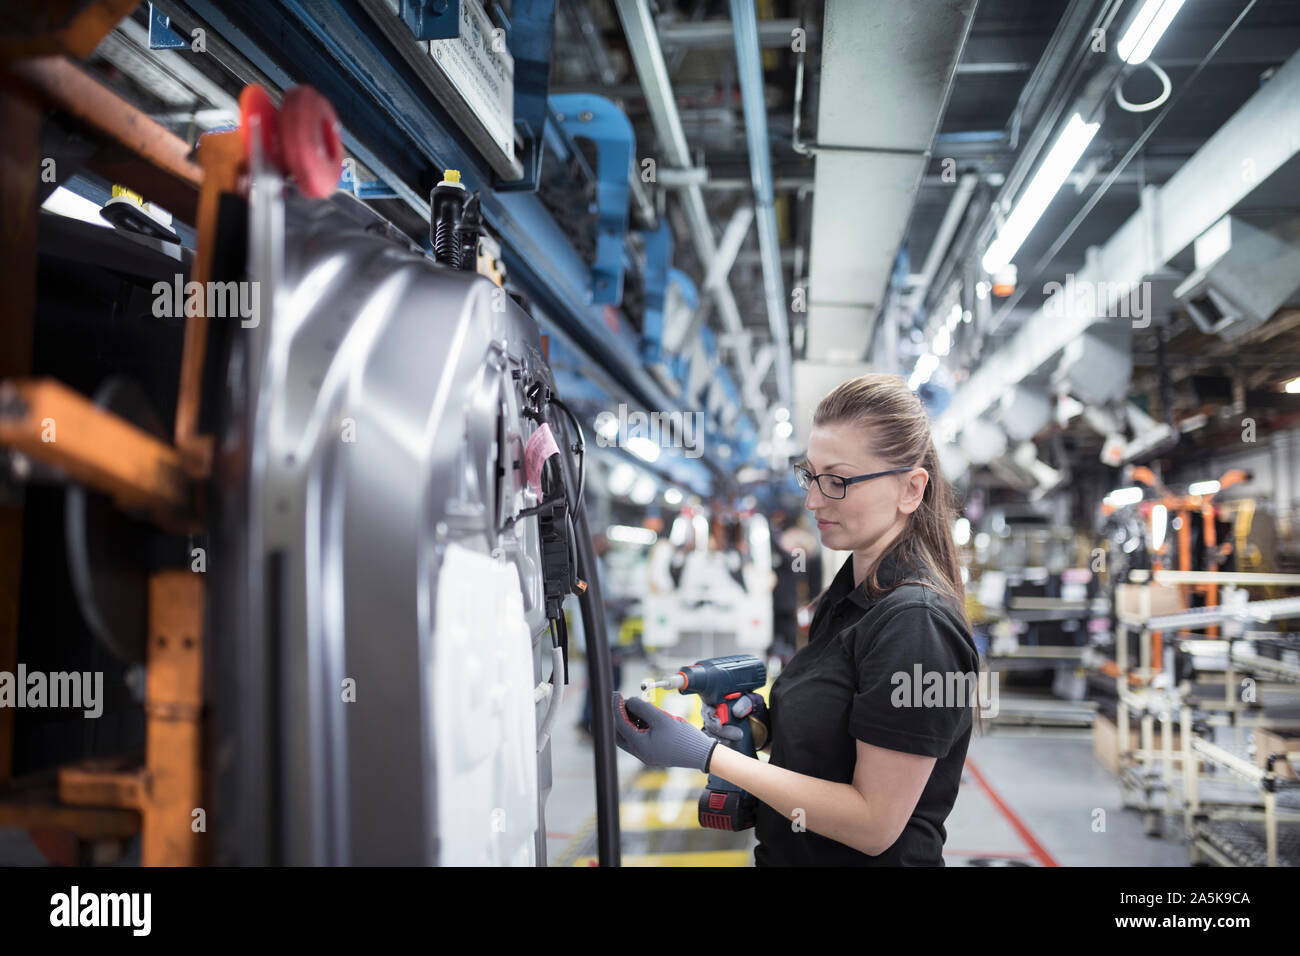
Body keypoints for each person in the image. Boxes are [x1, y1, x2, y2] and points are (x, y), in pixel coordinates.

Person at [611, 373, 980, 865]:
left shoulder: (916, 625)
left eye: (838, 481)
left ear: (911, 489)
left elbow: (874, 824)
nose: (812, 500)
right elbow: (837, 742)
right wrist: (765, 730)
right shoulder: (847, 597)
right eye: (810, 475)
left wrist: (706, 755)